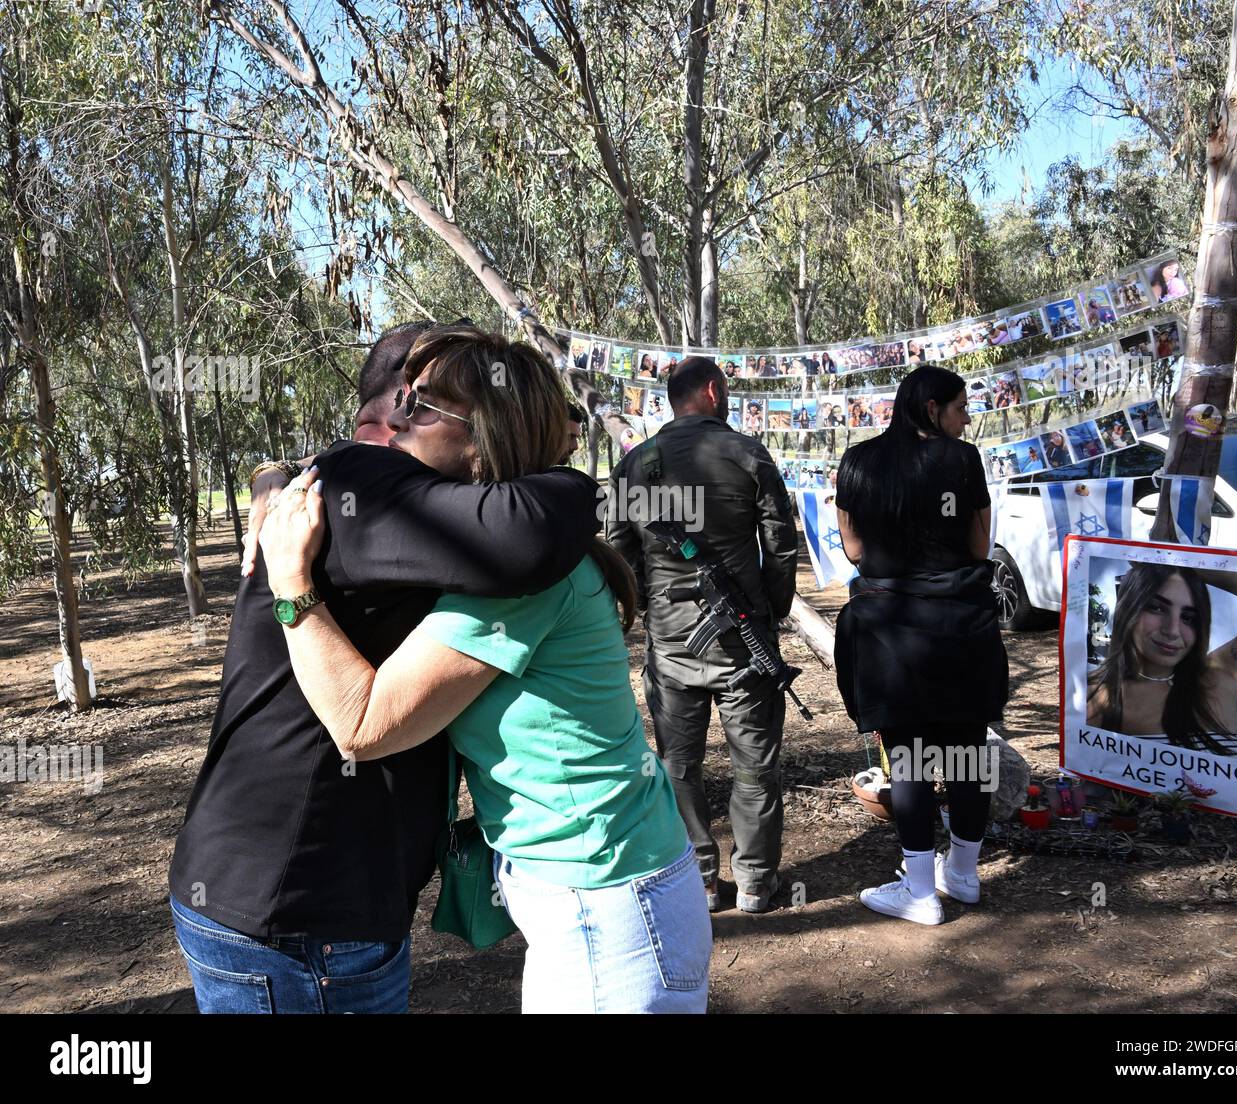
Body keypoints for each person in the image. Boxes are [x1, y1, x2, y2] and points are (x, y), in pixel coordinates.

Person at [257, 326, 711, 1013]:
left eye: (422, 408)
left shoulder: (519, 583)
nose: (398, 422)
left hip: (607, 911)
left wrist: (291, 583)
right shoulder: (515, 555)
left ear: (484, 434)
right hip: (610, 891)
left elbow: (362, 724)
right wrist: (269, 479)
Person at [169, 322, 599, 1013]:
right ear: (405, 403)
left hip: (283, 896)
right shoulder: (364, 481)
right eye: (471, 412)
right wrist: (559, 467)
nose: (487, 451)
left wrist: (269, 473)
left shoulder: (343, 482)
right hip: (301, 914)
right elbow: (533, 534)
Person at [608, 357, 799, 914]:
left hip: (670, 645)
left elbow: (617, 551)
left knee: (678, 764)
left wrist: (649, 607)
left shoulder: (635, 464)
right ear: (713, 391)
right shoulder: (747, 454)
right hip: (745, 643)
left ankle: (702, 879)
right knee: (755, 764)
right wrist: (769, 609)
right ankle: (757, 881)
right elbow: (780, 543)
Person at [834, 365, 1008, 926]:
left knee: (907, 758)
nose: (966, 418)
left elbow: (855, 548)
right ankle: (962, 875)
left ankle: (920, 893)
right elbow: (980, 546)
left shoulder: (858, 462)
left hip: (887, 631)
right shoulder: (963, 460)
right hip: (961, 627)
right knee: (966, 751)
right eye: (960, 407)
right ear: (933, 409)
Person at [1086, 564, 1237, 753]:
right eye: (1157, 608)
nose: (1172, 631)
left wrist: (1186, 563)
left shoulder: (1218, 678)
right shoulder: (1098, 693)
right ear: (1129, 608)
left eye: (1188, 617)